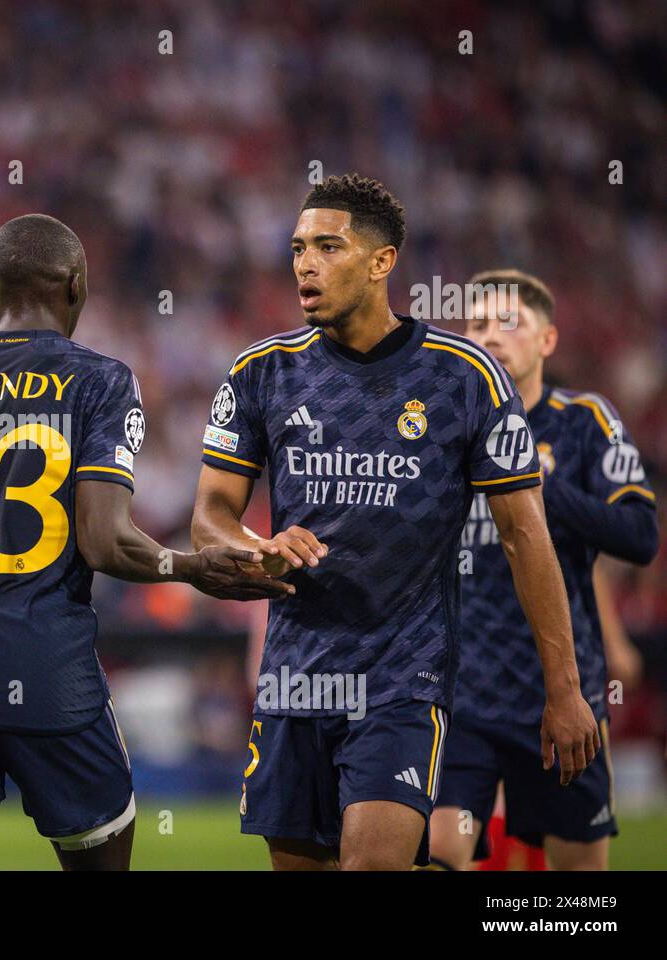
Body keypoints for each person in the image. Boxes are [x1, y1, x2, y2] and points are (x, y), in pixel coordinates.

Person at [190, 175, 599, 870]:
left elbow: (525, 534)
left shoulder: (464, 377)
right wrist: (257, 547)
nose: (305, 264)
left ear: (382, 262)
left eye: (327, 246)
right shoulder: (262, 371)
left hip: (402, 680)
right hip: (294, 679)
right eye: (297, 249)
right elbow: (210, 518)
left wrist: (564, 690)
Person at [0, 213, 291, 870]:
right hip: (45, 668)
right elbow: (102, 541)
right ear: (75, 283)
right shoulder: (98, 380)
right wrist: (190, 566)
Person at [429, 269, 658, 870]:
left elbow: (640, 536)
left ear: (547, 341)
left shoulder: (586, 421)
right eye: (477, 324)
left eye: (510, 322)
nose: (490, 335)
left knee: (577, 874)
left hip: (560, 695)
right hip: (461, 697)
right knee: (440, 850)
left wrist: (537, 487)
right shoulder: (443, 428)